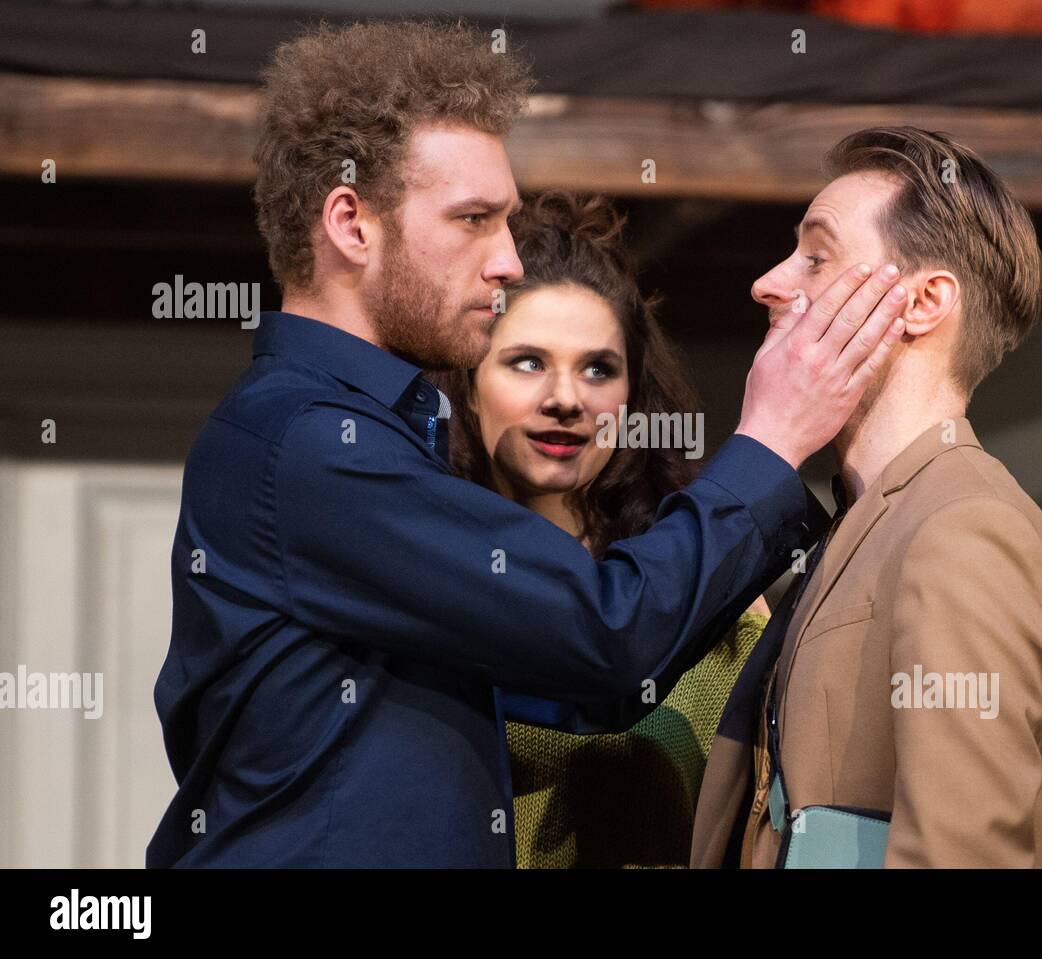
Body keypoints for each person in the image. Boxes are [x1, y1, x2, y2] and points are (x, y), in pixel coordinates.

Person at [146, 20, 906, 867]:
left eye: (506, 221)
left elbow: (576, 685)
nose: (508, 260)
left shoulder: (356, 436)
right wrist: (772, 436)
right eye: (473, 219)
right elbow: (603, 632)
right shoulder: (312, 445)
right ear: (352, 224)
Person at [691, 126, 1042, 868]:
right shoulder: (858, 520)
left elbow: (963, 855)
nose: (768, 282)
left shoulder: (966, 526)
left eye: (815, 255)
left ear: (924, 302)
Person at [438, 190, 770, 868]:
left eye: (598, 368)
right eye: (526, 360)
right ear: (469, 385)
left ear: (633, 397)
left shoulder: (709, 599)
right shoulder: (422, 578)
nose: (566, 397)